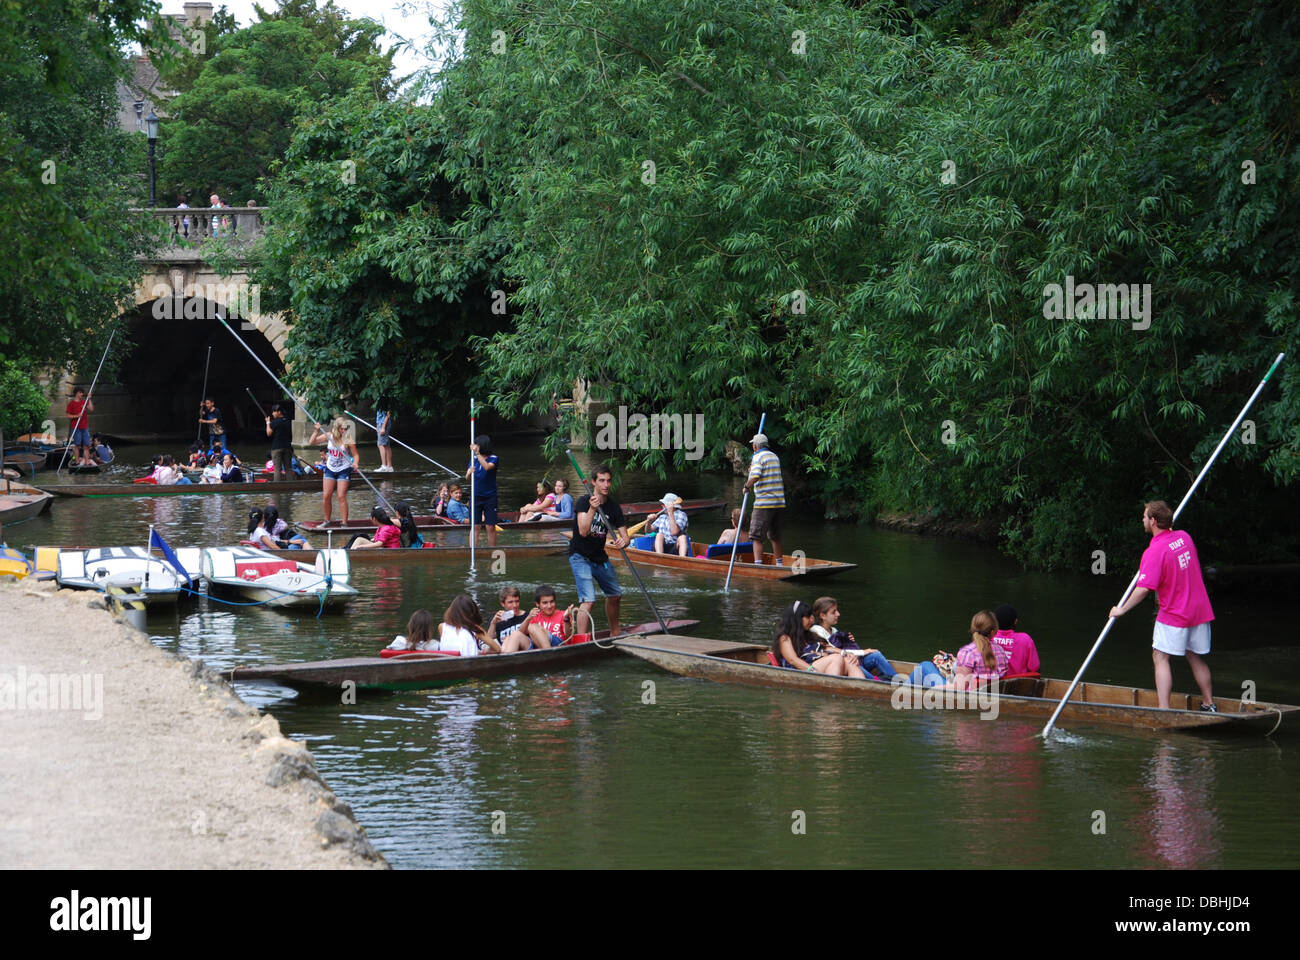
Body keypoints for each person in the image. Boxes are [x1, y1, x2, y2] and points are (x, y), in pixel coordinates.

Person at [1108, 500, 1216, 711]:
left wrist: (1121, 610)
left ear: (1154, 521)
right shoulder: (1185, 537)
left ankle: (1163, 710)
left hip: (1175, 613)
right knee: (1194, 656)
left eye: (1145, 516)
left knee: (1160, 656)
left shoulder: (1154, 552)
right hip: (1199, 610)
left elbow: (1143, 589)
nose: (1142, 519)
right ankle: (1209, 703)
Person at [568, 464, 629, 636]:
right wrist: (593, 508)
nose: (606, 485)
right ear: (593, 482)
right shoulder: (583, 502)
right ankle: (581, 638)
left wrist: (623, 542)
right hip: (580, 556)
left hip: (600, 558)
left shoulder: (614, 508)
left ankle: (615, 632)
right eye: (601, 481)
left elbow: (625, 536)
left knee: (615, 595)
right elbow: (583, 531)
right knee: (588, 600)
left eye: (608, 481)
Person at [908, 611, 1010, 689]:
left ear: (973, 628)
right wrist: (956, 661)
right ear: (993, 632)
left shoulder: (967, 652)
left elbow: (958, 689)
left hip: (965, 698)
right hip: (987, 693)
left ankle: (900, 690)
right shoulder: (1000, 651)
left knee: (924, 666)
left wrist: (933, 689)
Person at [809, 596, 901, 681]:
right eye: (833, 612)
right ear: (822, 615)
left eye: (837, 610)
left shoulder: (834, 630)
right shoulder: (816, 631)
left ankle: (898, 681)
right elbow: (834, 651)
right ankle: (879, 684)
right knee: (852, 662)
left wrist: (849, 642)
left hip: (850, 659)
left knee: (876, 655)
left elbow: (845, 648)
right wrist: (863, 652)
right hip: (839, 665)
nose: (838, 614)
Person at [772, 600, 850, 675]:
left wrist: (845, 653)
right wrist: (812, 670)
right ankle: (830, 685)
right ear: (798, 619)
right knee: (836, 658)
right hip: (800, 670)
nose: (812, 620)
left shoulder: (807, 634)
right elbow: (793, 660)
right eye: (808, 617)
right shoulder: (784, 638)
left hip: (813, 665)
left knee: (848, 662)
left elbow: (825, 647)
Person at [745, 432, 785, 566]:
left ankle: (758, 565)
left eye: (753, 446)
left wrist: (747, 486)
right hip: (778, 503)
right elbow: (763, 472)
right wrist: (752, 470)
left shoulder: (758, 457)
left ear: (755, 446)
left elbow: (756, 476)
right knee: (775, 536)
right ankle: (779, 564)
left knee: (756, 537)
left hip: (764, 503)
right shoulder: (774, 456)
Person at [307, 419, 358, 525]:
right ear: (337, 428)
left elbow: (356, 455)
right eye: (342, 429)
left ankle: (344, 523)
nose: (344, 431)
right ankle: (326, 521)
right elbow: (311, 442)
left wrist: (356, 463)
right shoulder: (328, 435)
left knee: (341, 495)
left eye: (345, 429)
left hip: (344, 469)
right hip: (330, 468)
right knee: (326, 495)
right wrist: (316, 431)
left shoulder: (348, 439)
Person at [465, 434, 499, 547]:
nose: (474, 447)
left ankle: (492, 550)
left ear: (482, 446)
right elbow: (467, 478)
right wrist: (469, 473)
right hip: (476, 496)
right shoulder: (473, 459)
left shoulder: (494, 458)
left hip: (490, 497)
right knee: (475, 526)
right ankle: (472, 551)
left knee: (490, 526)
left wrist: (477, 454)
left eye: (476, 445)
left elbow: (487, 467)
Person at [991, 603, 1041, 676]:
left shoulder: (987, 638)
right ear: (1015, 621)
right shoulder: (1025, 639)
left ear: (993, 622)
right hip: (1018, 684)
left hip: (994, 686)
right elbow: (1035, 669)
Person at [523, 584, 576, 650]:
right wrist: (528, 618)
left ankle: (549, 653)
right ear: (537, 604)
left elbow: (569, 636)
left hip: (559, 645)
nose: (549, 606)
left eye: (552, 602)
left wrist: (566, 618)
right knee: (515, 635)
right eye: (545, 603)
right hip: (539, 646)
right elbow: (522, 633)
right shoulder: (535, 616)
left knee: (532, 626)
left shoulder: (563, 615)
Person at [487, 586, 531, 654]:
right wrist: (493, 623)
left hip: (525, 651)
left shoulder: (526, 616)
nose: (515, 605)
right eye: (510, 602)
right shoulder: (498, 619)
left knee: (515, 635)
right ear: (502, 604)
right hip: (506, 650)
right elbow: (488, 641)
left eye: (517, 601)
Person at [65, 388, 93, 466]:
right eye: (81, 393)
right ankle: (77, 461)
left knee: (86, 445)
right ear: (77, 393)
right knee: (77, 445)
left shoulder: (84, 402)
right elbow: (68, 416)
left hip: (85, 427)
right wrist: (77, 416)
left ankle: (87, 462)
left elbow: (91, 409)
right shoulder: (71, 404)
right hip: (76, 427)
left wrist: (89, 399)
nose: (82, 395)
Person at [266, 404, 293, 481]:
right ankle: (291, 485)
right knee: (288, 468)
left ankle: (277, 486)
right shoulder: (288, 421)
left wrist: (268, 423)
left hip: (277, 448)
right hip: (288, 447)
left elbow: (268, 433)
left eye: (274, 412)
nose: (272, 414)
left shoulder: (275, 422)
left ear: (279, 412)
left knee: (277, 469)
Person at [375, 405, 394, 472]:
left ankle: (384, 466)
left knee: (381, 444)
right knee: (386, 445)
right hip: (381, 423)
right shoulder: (381, 398)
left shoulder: (384, 397)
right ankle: (389, 466)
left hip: (383, 424)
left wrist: (383, 427)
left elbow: (387, 413)